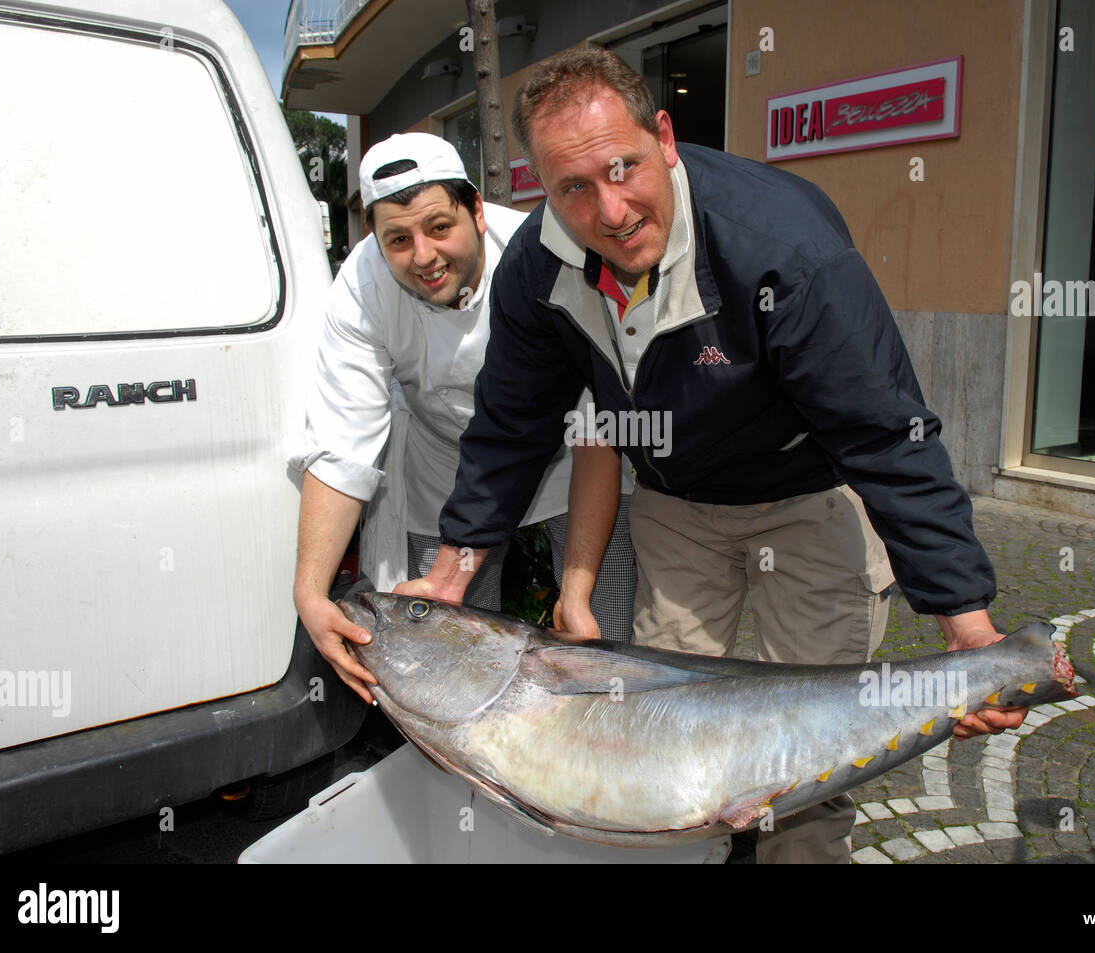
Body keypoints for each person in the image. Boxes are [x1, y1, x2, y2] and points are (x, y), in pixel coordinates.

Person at [396, 49, 1026, 863]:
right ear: (538, 189)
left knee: (805, 764)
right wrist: (453, 569)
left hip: (809, 498)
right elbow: (511, 426)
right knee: (659, 753)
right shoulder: (537, 271)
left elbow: (884, 434)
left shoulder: (783, 246)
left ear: (664, 136)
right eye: (574, 188)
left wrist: (965, 621)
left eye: (622, 166)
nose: (611, 209)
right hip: (676, 508)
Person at [292, 132, 636, 706]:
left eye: (438, 227)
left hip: (567, 462)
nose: (423, 256)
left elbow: (593, 432)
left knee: (606, 634)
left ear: (476, 211)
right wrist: (310, 592)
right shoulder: (359, 288)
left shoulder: (545, 257)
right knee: (450, 654)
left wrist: (576, 587)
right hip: (445, 473)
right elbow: (341, 444)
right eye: (397, 239)